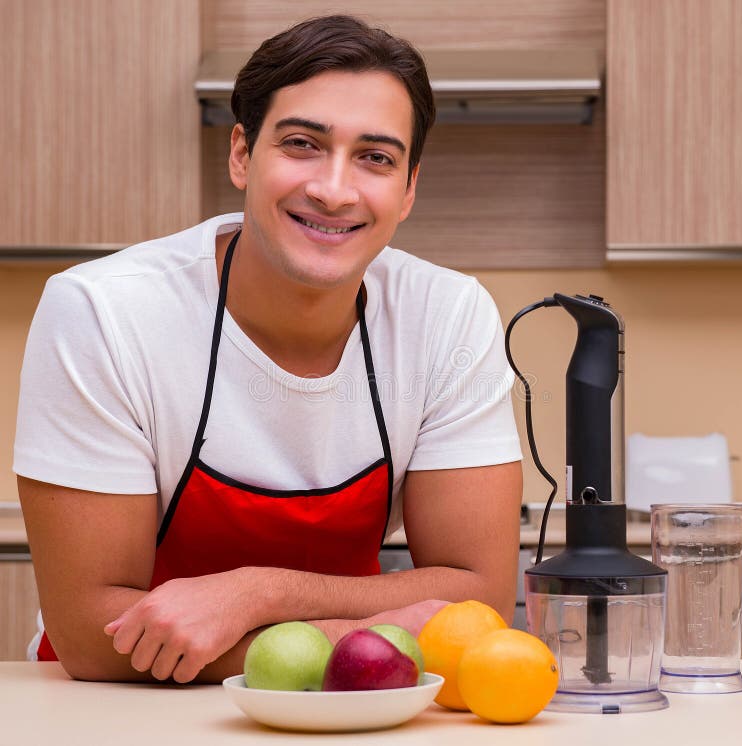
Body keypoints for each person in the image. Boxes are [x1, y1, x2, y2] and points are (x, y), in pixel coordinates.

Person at [14, 15, 522, 684]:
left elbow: (478, 595)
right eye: (303, 143)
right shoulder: (106, 314)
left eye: (375, 158)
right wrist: (365, 634)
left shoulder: (448, 317)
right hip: (126, 704)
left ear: (408, 189)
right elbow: (89, 635)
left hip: (348, 706)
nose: (333, 189)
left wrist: (259, 591)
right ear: (241, 155)